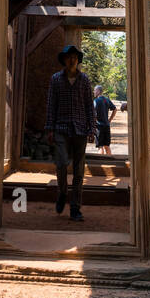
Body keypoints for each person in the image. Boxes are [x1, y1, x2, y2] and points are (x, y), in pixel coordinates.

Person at [44, 44, 96, 222]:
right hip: (61, 128)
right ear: (64, 60)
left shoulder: (85, 80)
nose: (72, 59)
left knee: (79, 171)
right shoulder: (56, 80)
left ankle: (75, 207)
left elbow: (90, 106)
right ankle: (62, 193)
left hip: (80, 129)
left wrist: (92, 128)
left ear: (78, 60)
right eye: (69, 57)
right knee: (61, 164)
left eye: (75, 56)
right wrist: (49, 128)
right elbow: (51, 105)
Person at [93, 84, 117, 155]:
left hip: (99, 127)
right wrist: (109, 120)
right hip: (107, 126)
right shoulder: (107, 100)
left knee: (100, 147)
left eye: (94, 90)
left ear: (98, 91)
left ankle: (101, 165)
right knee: (107, 146)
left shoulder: (95, 101)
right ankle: (110, 162)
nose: (93, 92)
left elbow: (92, 113)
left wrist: (93, 123)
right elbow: (115, 109)